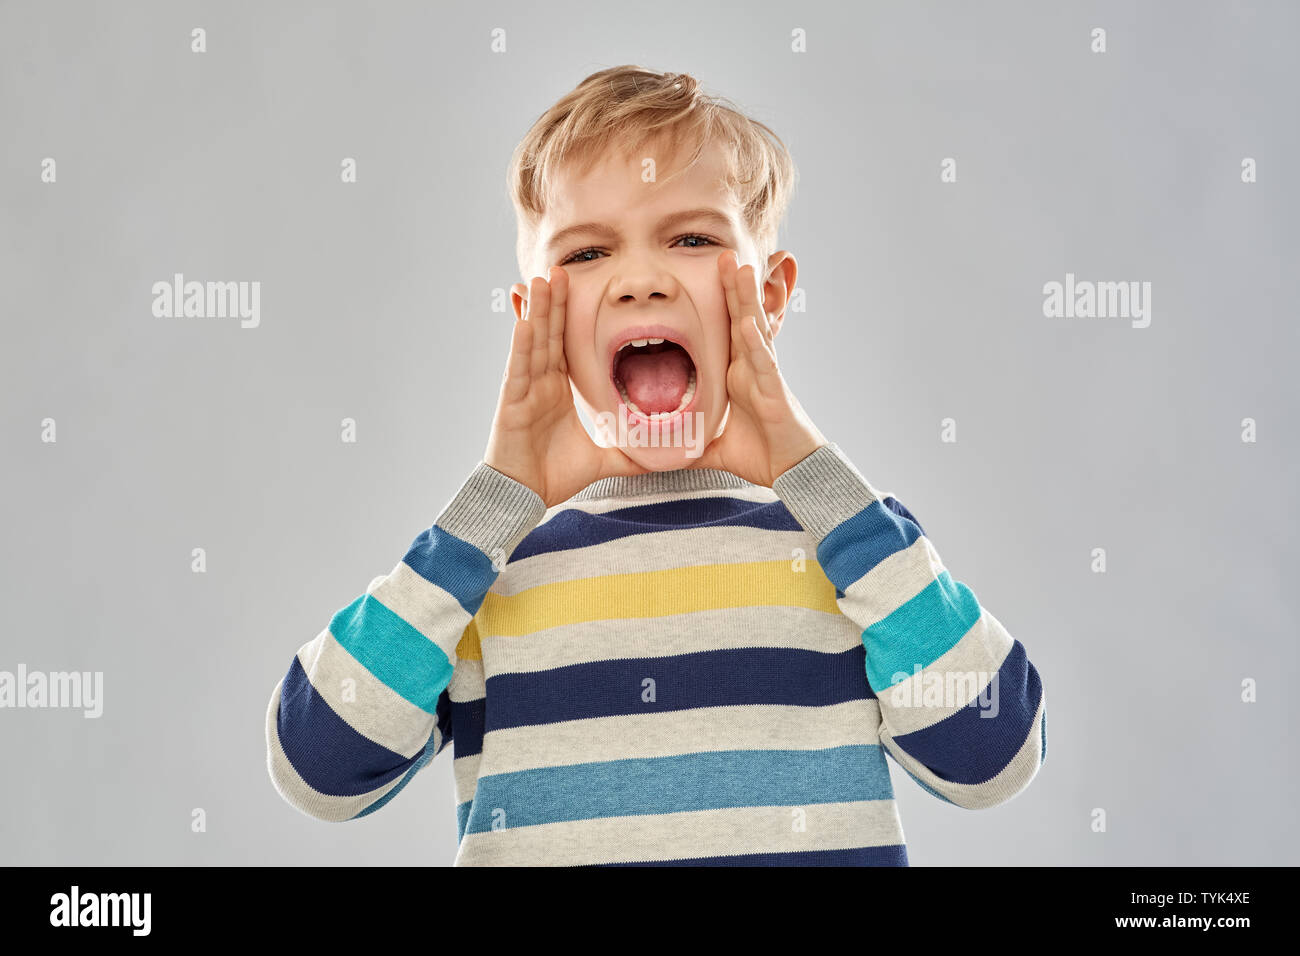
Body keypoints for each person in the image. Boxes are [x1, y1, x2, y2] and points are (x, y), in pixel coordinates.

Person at [264, 65, 1047, 865]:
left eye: (693, 238)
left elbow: (993, 759)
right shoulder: (480, 570)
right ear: (534, 315)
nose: (640, 281)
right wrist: (493, 506)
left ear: (770, 297)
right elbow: (319, 770)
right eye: (587, 252)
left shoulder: (850, 544)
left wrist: (816, 481)